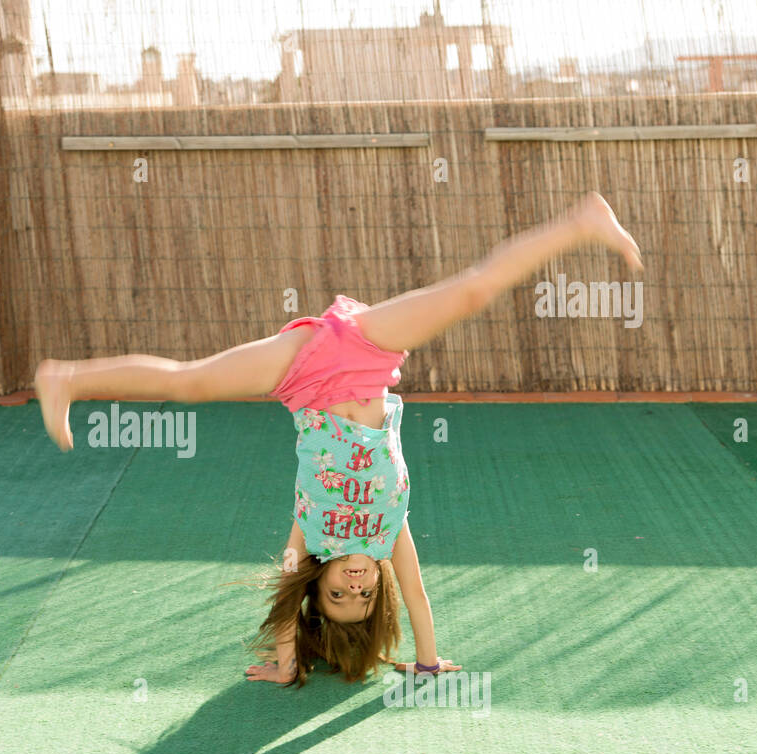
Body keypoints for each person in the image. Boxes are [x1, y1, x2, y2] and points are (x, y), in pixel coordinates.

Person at [34, 192, 643, 687]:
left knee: (189, 383)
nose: (354, 587)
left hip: (301, 373)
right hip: (368, 356)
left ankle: (69, 377)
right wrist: (427, 662)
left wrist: (287, 664)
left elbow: (284, 594)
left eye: (336, 595)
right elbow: (421, 596)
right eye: (361, 597)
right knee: (471, 293)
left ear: (319, 580)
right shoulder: (389, 535)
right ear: (377, 594)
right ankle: (579, 223)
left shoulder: (312, 534)